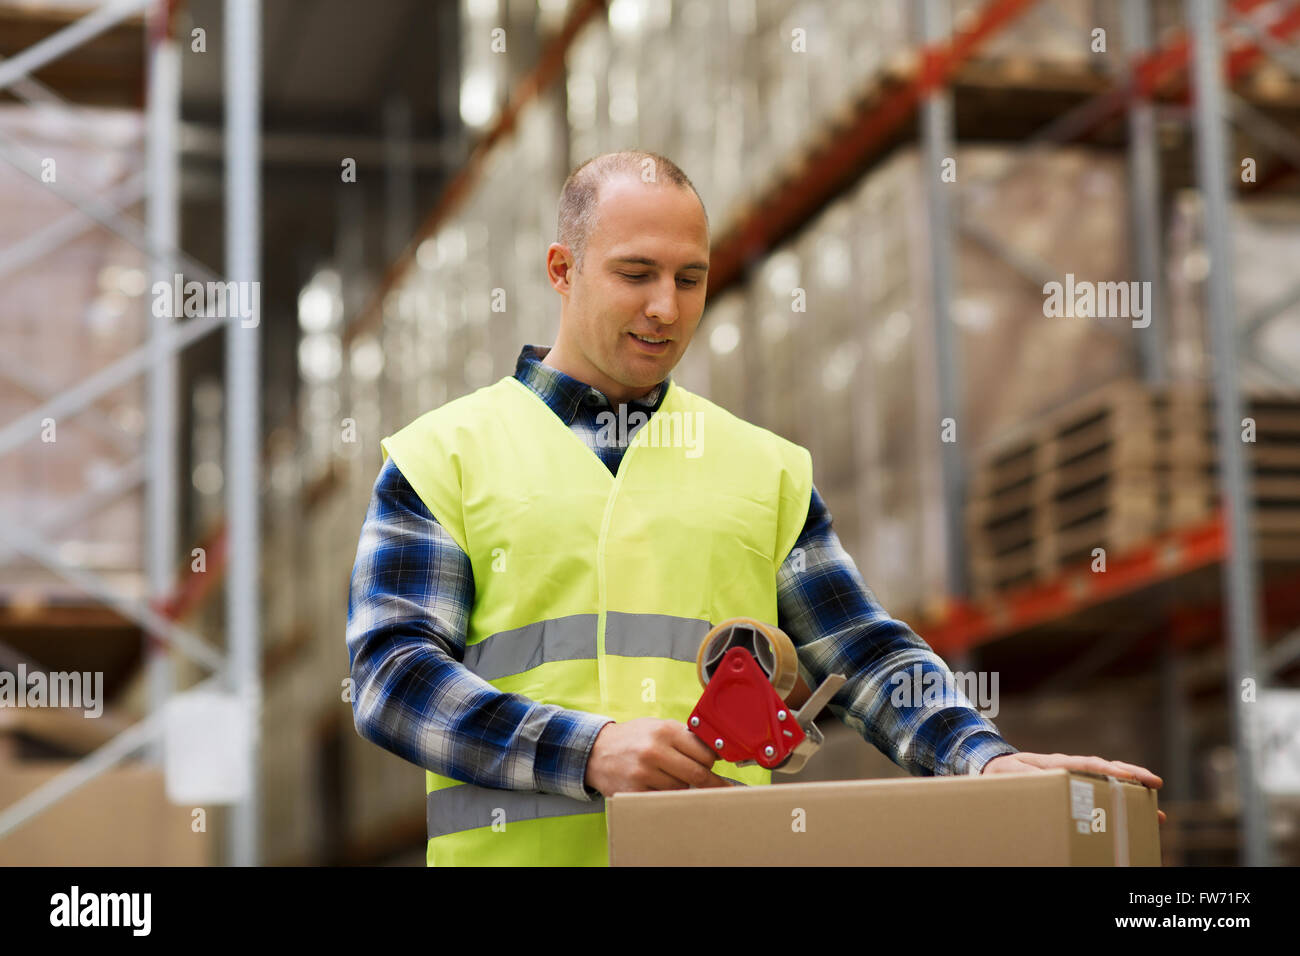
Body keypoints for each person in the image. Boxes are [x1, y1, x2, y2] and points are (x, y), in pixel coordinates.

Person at [346, 149, 1164, 867]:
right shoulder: (442, 458)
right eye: (635, 274)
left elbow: (862, 652)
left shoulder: (762, 469)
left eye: (690, 278)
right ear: (562, 270)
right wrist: (587, 750)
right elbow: (392, 679)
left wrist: (981, 760)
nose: (666, 307)